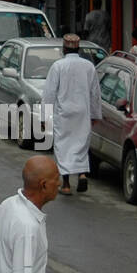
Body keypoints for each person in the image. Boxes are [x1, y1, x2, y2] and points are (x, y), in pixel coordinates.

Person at [41, 34, 102, 195]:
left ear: (64, 49)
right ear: (78, 49)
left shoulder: (58, 66)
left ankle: (66, 184)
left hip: (64, 113)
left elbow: (49, 93)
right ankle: (82, 174)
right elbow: (95, 93)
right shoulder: (89, 66)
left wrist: (44, 117)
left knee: (63, 146)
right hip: (83, 111)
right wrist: (95, 114)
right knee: (81, 144)